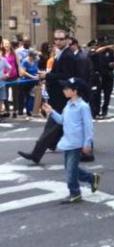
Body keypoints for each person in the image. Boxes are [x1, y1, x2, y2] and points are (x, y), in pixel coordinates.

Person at [18, 31, 77, 164]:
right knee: (61, 124)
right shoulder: (60, 53)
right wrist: (47, 75)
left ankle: (36, 154)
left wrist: (47, 76)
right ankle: (54, 144)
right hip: (59, 95)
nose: (58, 41)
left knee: (50, 127)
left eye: (61, 39)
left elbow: (66, 75)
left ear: (67, 40)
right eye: (56, 39)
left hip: (62, 96)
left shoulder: (67, 55)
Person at [42, 78, 100, 204]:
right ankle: (91, 178)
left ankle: (75, 193)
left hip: (77, 143)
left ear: (75, 91)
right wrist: (51, 112)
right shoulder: (68, 105)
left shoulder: (83, 107)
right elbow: (62, 121)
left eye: (67, 88)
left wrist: (87, 143)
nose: (64, 90)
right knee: (70, 168)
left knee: (70, 170)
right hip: (68, 142)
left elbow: (88, 126)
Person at [95, 38, 114, 118]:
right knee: (97, 95)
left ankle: (104, 111)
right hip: (99, 75)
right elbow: (96, 52)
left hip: (108, 75)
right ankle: (97, 111)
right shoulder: (98, 51)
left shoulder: (110, 52)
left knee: (107, 95)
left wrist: (112, 64)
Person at [18, 49, 40, 118]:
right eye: (34, 56)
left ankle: (29, 111)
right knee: (23, 96)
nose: (35, 57)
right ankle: (21, 111)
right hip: (25, 82)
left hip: (33, 82)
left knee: (30, 96)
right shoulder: (25, 61)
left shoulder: (35, 61)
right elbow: (23, 72)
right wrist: (32, 77)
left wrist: (39, 74)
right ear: (30, 56)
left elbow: (36, 69)